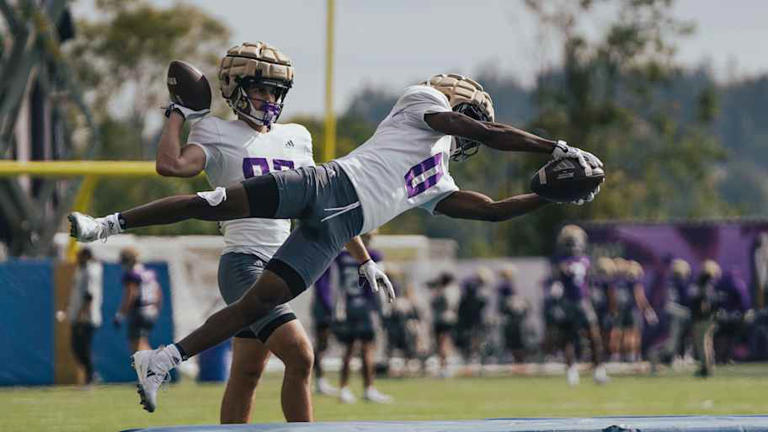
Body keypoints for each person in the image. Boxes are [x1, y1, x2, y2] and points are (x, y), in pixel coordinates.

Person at [69, 72, 603, 412]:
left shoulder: (440, 177)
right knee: (210, 202)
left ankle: (162, 359)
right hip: (324, 187)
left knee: (259, 304)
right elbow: (489, 134)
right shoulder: (421, 101)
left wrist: (545, 194)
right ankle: (107, 225)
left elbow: (492, 213)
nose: (474, 125)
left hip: (337, 230)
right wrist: (553, 146)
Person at [153, 42, 351, 422]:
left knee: (246, 373)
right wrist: (177, 114)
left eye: (274, 91)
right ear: (234, 88)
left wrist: (362, 259)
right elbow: (170, 165)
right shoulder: (214, 131)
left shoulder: (298, 136)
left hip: (282, 267)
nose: (268, 98)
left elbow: (321, 204)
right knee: (300, 356)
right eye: (259, 88)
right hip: (245, 264)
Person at [326, 231, 393, 404]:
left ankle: (345, 388)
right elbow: (379, 283)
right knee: (366, 349)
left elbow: (335, 284)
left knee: (350, 350)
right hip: (365, 308)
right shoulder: (374, 255)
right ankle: (367, 388)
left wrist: (336, 308)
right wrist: (383, 310)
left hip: (348, 307)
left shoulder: (341, 257)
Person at [549, 225, 608, 385]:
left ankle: (599, 370)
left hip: (583, 301)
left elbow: (588, 281)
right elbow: (556, 278)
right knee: (568, 337)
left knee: (594, 336)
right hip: (567, 302)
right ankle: (571, 370)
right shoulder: (559, 259)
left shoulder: (585, 259)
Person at [59, 247, 103, 385]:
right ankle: (91, 375)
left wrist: (81, 315)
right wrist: (67, 309)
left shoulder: (90, 271)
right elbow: (74, 293)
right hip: (77, 315)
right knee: (76, 347)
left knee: (83, 348)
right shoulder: (81, 270)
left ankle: (90, 377)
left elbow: (89, 296)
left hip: (85, 317)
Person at [114, 247, 162, 353]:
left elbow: (131, 294)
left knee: (136, 348)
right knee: (143, 342)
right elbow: (158, 292)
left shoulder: (132, 275)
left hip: (139, 312)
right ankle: (154, 365)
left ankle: (154, 367)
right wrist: (156, 309)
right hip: (151, 310)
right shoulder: (148, 273)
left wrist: (120, 315)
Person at [688, 260, 721, 377]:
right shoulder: (714, 282)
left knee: (702, 343)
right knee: (708, 343)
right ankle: (710, 365)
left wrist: (702, 313)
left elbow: (704, 300)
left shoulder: (703, 282)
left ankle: (705, 367)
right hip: (711, 317)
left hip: (702, 318)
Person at [455, 267, 491, 364]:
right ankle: (470, 355)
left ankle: (473, 355)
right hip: (469, 316)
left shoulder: (477, 286)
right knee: (469, 336)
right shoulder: (471, 284)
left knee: (475, 336)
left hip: (474, 316)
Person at [428, 272, 459, 377]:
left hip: (442, 319)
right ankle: (445, 367)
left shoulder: (443, 292)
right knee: (446, 343)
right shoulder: (454, 290)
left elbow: (435, 304)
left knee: (442, 344)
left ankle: (444, 367)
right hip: (450, 318)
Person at [497, 265, 530, 363]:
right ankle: (515, 358)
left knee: (514, 339)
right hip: (511, 316)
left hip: (512, 316)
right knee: (513, 339)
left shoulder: (506, 285)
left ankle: (517, 358)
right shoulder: (506, 285)